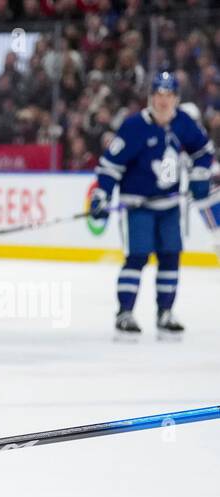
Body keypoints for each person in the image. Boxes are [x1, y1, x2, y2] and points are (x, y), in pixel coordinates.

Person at [91, 71, 215, 339]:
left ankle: (165, 313)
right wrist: (102, 194)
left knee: (171, 255)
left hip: (169, 206)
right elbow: (111, 166)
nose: (163, 101)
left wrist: (199, 174)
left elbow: (204, 152)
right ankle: (125, 312)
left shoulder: (184, 123)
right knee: (137, 256)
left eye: (169, 95)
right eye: (159, 95)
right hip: (138, 206)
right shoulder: (134, 126)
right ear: (151, 98)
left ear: (176, 98)